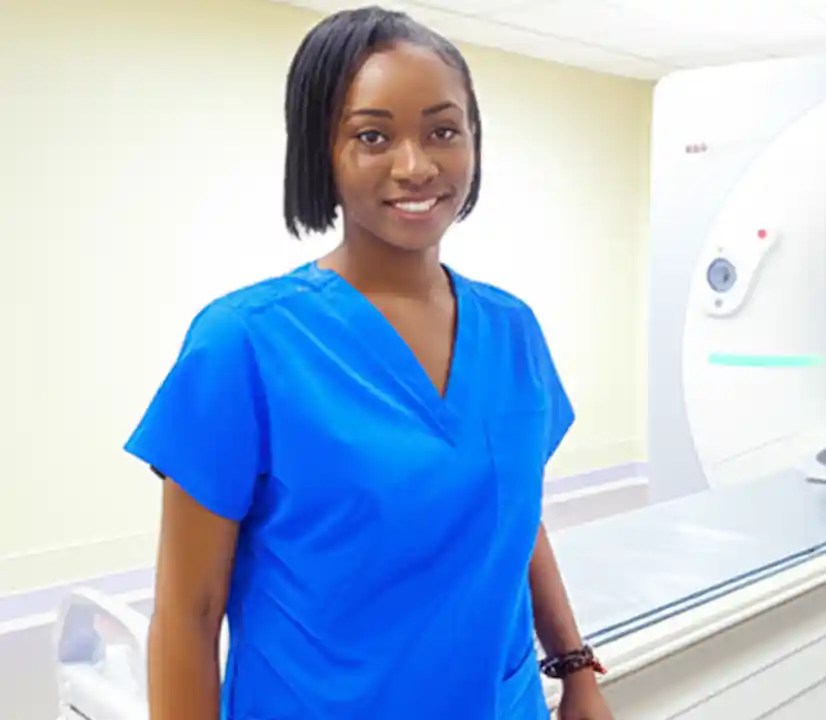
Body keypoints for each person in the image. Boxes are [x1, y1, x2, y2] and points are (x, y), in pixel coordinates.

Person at [124, 6, 613, 719]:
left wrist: (575, 669)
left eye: (443, 131)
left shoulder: (513, 331)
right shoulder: (245, 343)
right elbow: (189, 615)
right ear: (321, 150)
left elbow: (513, 513)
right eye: (373, 136)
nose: (415, 166)